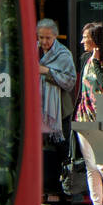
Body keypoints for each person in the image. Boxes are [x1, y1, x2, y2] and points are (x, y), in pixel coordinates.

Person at [73, 22, 103, 205]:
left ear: (96, 39)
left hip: (100, 118)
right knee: (90, 165)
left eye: (86, 37)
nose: (82, 40)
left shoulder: (102, 61)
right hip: (83, 118)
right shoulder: (85, 59)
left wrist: (98, 61)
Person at [37, 18, 76, 146]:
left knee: (61, 150)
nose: (44, 41)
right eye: (41, 37)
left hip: (60, 113)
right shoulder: (32, 51)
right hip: (37, 110)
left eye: (48, 38)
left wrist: (47, 72)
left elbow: (70, 81)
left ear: (55, 36)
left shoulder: (63, 55)